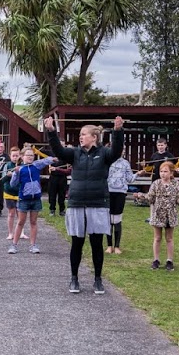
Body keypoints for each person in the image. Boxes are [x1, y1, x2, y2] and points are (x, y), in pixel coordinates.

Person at [42, 112, 125, 294]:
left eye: (83, 134)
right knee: (76, 243)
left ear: (94, 137)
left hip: (98, 203)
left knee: (96, 243)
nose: (80, 137)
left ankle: (97, 280)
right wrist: (51, 131)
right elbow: (59, 151)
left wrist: (118, 131)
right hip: (77, 202)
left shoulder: (104, 153)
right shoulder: (74, 153)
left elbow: (117, 151)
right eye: (79, 135)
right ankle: (74, 279)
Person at [7, 143, 46, 254]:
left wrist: (54, 158)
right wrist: (15, 173)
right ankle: (14, 245)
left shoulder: (36, 166)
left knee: (33, 222)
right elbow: (13, 184)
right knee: (20, 222)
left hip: (36, 199)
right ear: (22, 157)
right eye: (28, 155)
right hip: (24, 199)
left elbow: (45, 161)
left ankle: (33, 245)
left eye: (32, 155)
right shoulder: (20, 169)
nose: (30, 157)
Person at [146, 159, 179, 270]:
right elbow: (150, 198)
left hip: (170, 215)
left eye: (165, 171)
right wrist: (141, 196)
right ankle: (156, 260)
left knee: (169, 238)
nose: (163, 173)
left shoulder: (176, 184)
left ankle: (169, 260)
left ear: (171, 173)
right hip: (158, 214)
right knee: (157, 238)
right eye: (161, 171)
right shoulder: (156, 183)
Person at [107, 144, 134, 256]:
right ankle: (109, 246)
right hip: (108, 192)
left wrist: (138, 174)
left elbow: (130, 179)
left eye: (122, 150)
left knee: (117, 219)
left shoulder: (125, 163)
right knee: (108, 219)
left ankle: (117, 246)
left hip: (121, 193)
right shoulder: (107, 161)